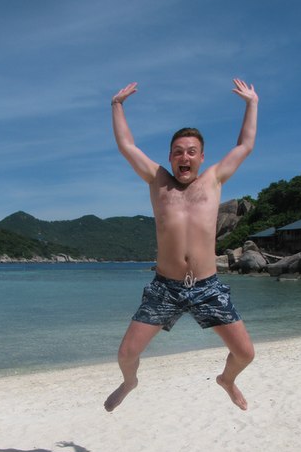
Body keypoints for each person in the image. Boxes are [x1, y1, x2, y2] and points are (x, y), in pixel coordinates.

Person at [104, 79, 258, 413]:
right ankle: (130, 382)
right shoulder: (157, 180)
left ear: (201, 157)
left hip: (207, 287)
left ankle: (227, 380)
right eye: (177, 152)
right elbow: (127, 145)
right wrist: (117, 104)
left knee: (245, 353)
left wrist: (251, 103)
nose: (184, 157)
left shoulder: (214, 179)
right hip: (165, 288)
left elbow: (245, 145)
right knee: (126, 354)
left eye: (191, 151)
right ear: (170, 158)